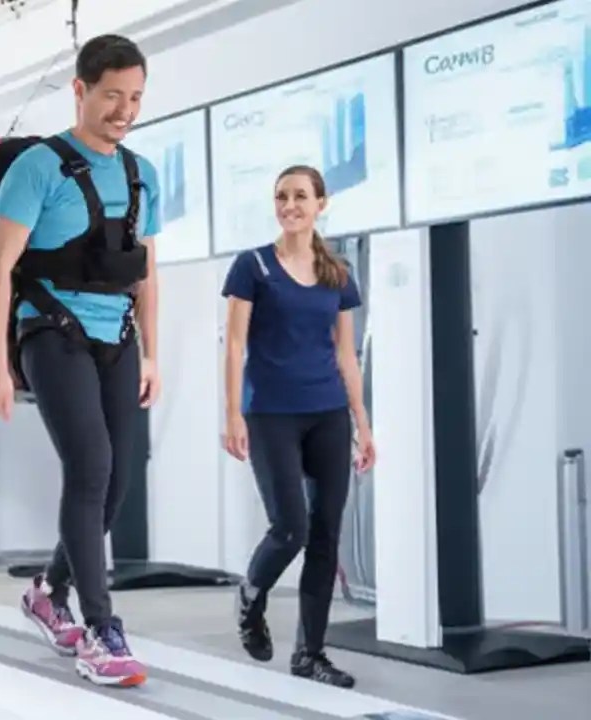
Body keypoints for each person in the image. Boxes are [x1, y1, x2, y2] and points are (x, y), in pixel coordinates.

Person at [0, 33, 162, 688]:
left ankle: (46, 592)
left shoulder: (143, 171)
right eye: (112, 95)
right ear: (81, 90)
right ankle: (100, 630)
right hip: (49, 331)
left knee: (116, 482)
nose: (124, 110)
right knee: (91, 467)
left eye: (135, 97)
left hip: (119, 338)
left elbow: (147, 270)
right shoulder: (38, 168)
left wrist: (152, 354)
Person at [220, 164, 377, 689]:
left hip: (328, 413)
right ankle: (251, 594)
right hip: (269, 414)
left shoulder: (337, 273)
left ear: (321, 204)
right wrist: (232, 413)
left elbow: (345, 353)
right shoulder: (253, 267)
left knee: (326, 536)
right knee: (291, 528)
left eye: (301, 196)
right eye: (282, 196)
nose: (290, 205)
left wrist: (363, 422)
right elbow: (235, 344)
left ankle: (309, 654)